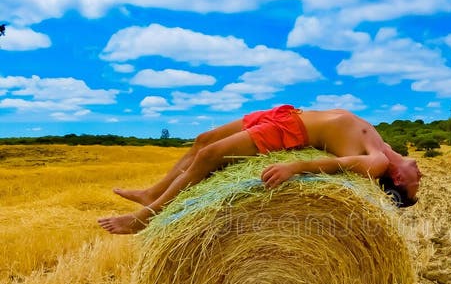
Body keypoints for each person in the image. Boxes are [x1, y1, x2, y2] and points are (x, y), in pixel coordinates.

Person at [98, 104, 422, 234]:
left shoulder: (378, 161)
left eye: (414, 184)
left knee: (209, 155)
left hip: (293, 131)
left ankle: (146, 217)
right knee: (202, 140)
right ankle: (153, 192)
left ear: (397, 178)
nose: (420, 175)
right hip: (287, 114)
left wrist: (296, 167)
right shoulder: (385, 147)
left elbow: (339, 164)